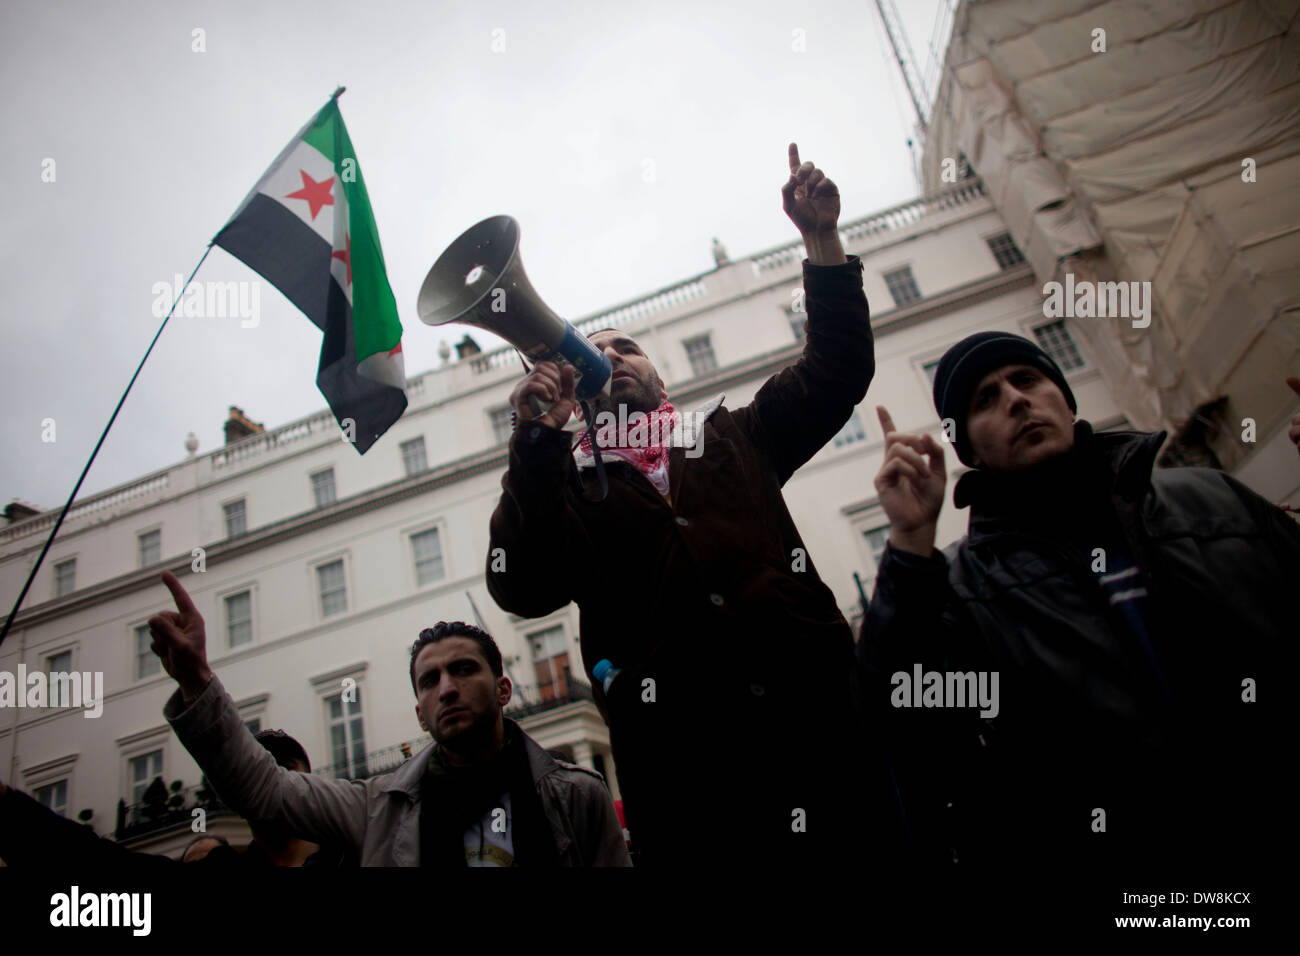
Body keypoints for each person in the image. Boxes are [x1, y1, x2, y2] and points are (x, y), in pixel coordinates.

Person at [487, 143, 881, 864]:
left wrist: (821, 241)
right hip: (689, 782)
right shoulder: (561, 485)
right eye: (591, 352)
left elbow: (836, 369)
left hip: (822, 734)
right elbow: (519, 583)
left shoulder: (733, 435)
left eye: (626, 346)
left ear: (658, 377)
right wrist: (535, 440)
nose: (611, 358)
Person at [859, 330, 1296, 885]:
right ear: (967, 447)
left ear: (1065, 399)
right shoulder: (958, 588)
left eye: (1027, 379)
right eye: (984, 400)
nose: (1016, 400)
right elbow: (904, 729)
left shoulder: (1216, 499)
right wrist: (908, 547)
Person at [147, 572, 630, 867]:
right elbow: (263, 790)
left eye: (463, 669)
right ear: (420, 714)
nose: (446, 688)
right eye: (429, 680)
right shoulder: (376, 809)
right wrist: (197, 680)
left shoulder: (578, 796)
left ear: (504, 688)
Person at [0, 729, 337, 867]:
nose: (272, 782)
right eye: (257, 774)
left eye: (285, 768)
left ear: (311, 777)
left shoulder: (359, 852)